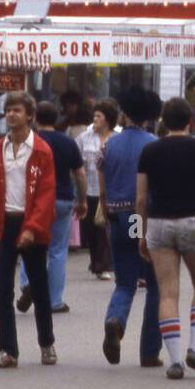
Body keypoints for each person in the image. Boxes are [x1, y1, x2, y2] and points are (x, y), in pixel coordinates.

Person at [136, 97, 195, 379]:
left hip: (159, 225)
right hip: (191, 221)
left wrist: (141, 232)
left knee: (167, 292)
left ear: (163, 120)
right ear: (190, 121)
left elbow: (140, 198)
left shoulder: (149, 151)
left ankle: (175, 360)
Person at [0, 92, 57, 369]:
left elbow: (46, 194)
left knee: (38, 287)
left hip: (31, 222)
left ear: (29, 115)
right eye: (8, 110)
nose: (11, 115)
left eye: (17, 110)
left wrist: (33, 228)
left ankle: (47, 342)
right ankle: (8, 350)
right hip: (5, 222)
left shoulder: (41, 150)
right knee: (3, 288)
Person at [100, 87, 163, 368]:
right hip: (142, 218)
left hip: (116, 214)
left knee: (124, 281)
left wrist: (105, 209)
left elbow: (101, 183)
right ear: (150, 117)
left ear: (124, 114)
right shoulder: (153, 144)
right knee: (155, 285)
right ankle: (149, 351)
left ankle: (115, 319)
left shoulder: (109, 144)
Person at [19, 101, 87, 316]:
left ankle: (27, 283)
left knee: (28, 244)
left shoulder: (29, 142)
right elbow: (80, 174)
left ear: (34, 117)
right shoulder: (67, 143)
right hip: (62, 199)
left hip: (34, 200)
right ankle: (54, 300)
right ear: (57, 118)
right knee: (57, 250)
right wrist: (82, 200)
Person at [76, 98, 117, 281]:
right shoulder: (85, 136)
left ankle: (105, 264)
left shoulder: (117, 136)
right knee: (92, 229)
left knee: (105, 228)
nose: (95, 119)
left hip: (112, 189)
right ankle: (96, 261)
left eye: (99, 116)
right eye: (94, 115)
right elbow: (76, 159)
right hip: (90, 189)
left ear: (107, 119)